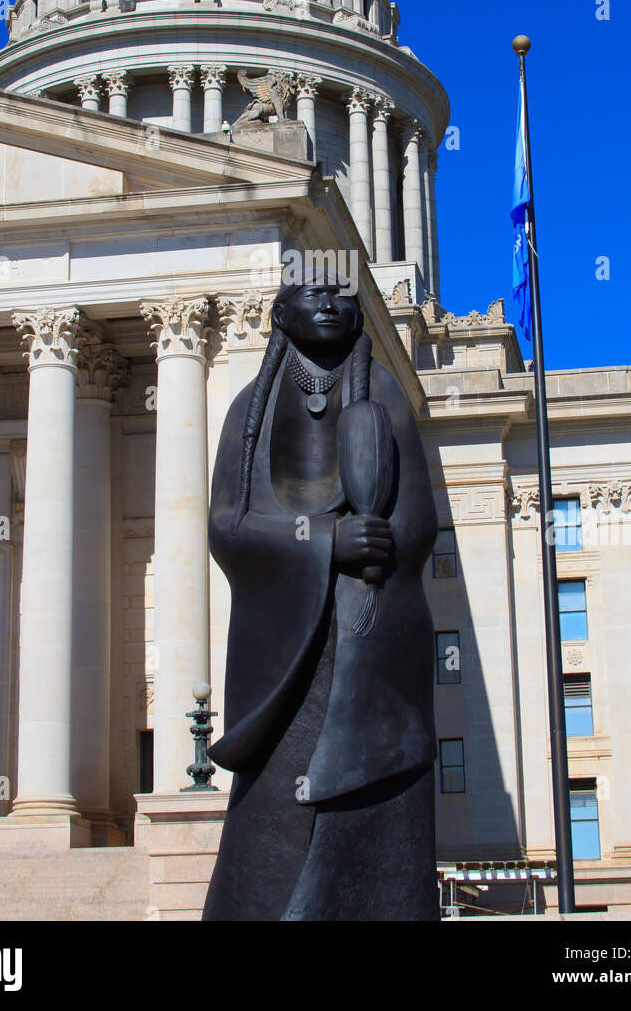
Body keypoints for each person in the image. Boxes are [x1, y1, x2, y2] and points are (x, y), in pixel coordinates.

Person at [202, 279, 440, 921]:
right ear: (280, 314)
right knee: (273, 821)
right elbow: (226, 526)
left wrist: (370, 546)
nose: (329, 304)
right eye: (310, 294)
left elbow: (418, 522)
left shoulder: (386, 397)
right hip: (283, 648)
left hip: (367, 637)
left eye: (341, 294)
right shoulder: (248, 410)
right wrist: (324, 541)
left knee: (370, 821)